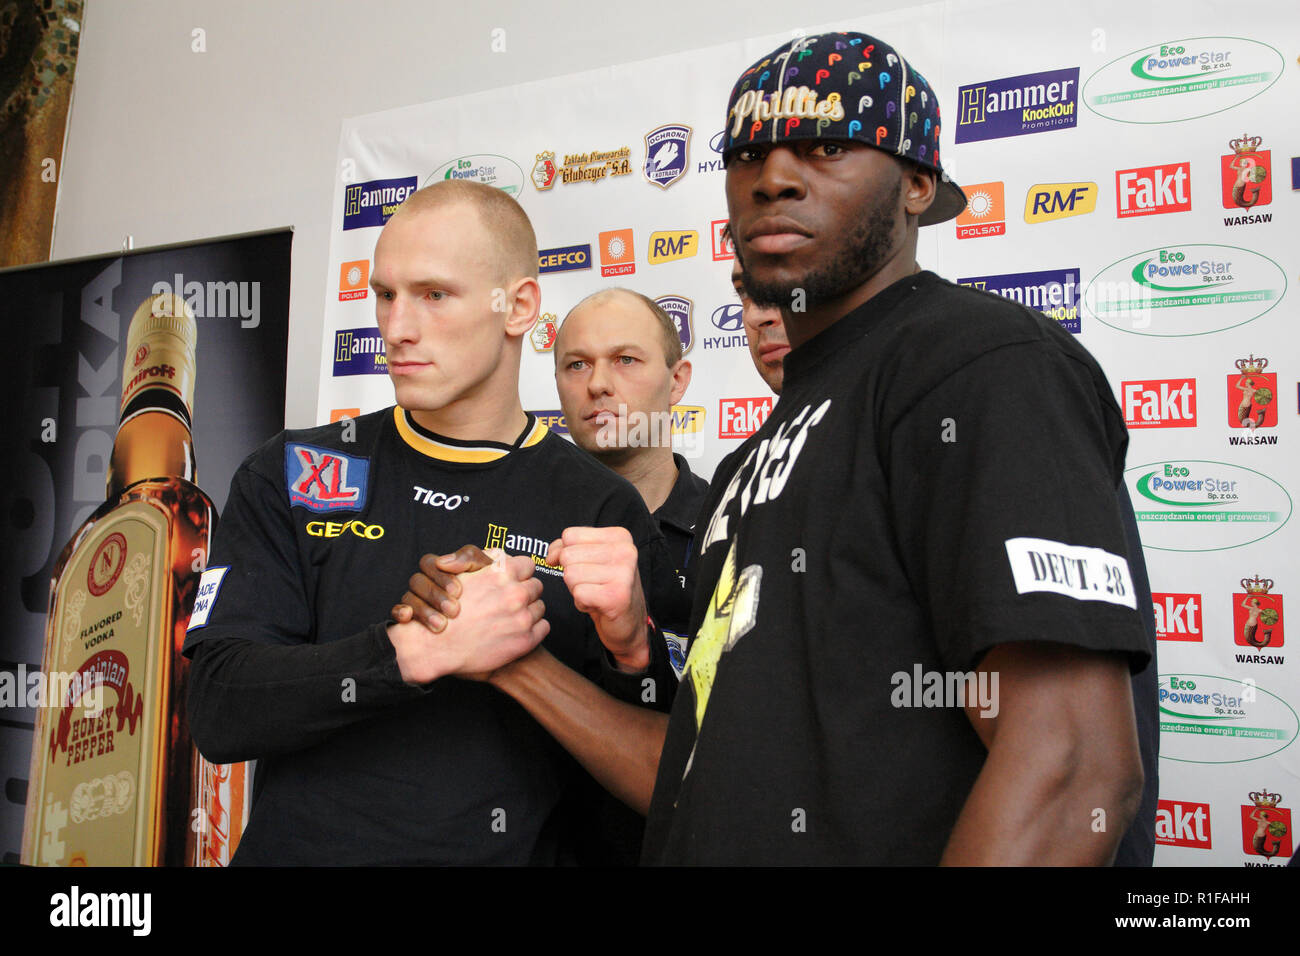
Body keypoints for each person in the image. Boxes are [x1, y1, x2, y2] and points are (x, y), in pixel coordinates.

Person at [639, 31, 1151, 865]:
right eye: (748, 154)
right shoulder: (753, 455)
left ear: (917, 184)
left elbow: (1073, 767)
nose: (774, 178)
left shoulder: (977, 363)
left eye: (828, 146)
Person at [182, 179, 679, 865]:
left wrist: (633, 656)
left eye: (434, 295)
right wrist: (416, 651)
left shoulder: (601, 508)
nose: (397, 327)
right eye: (385, 295)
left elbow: (666, 778)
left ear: (520, 307)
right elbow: (219, 709)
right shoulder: (296, 470)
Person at [731, 249, 1161, 866]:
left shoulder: (979, 386)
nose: (769, 316)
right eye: (750, 293)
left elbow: (1072, 770)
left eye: (791, 288)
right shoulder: (758, 467)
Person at [551, 288, 710, 662]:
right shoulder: (518, 515)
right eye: (577, 364)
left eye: (625, 359)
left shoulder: (732, 527)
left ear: (677, 381)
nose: (597, 384)